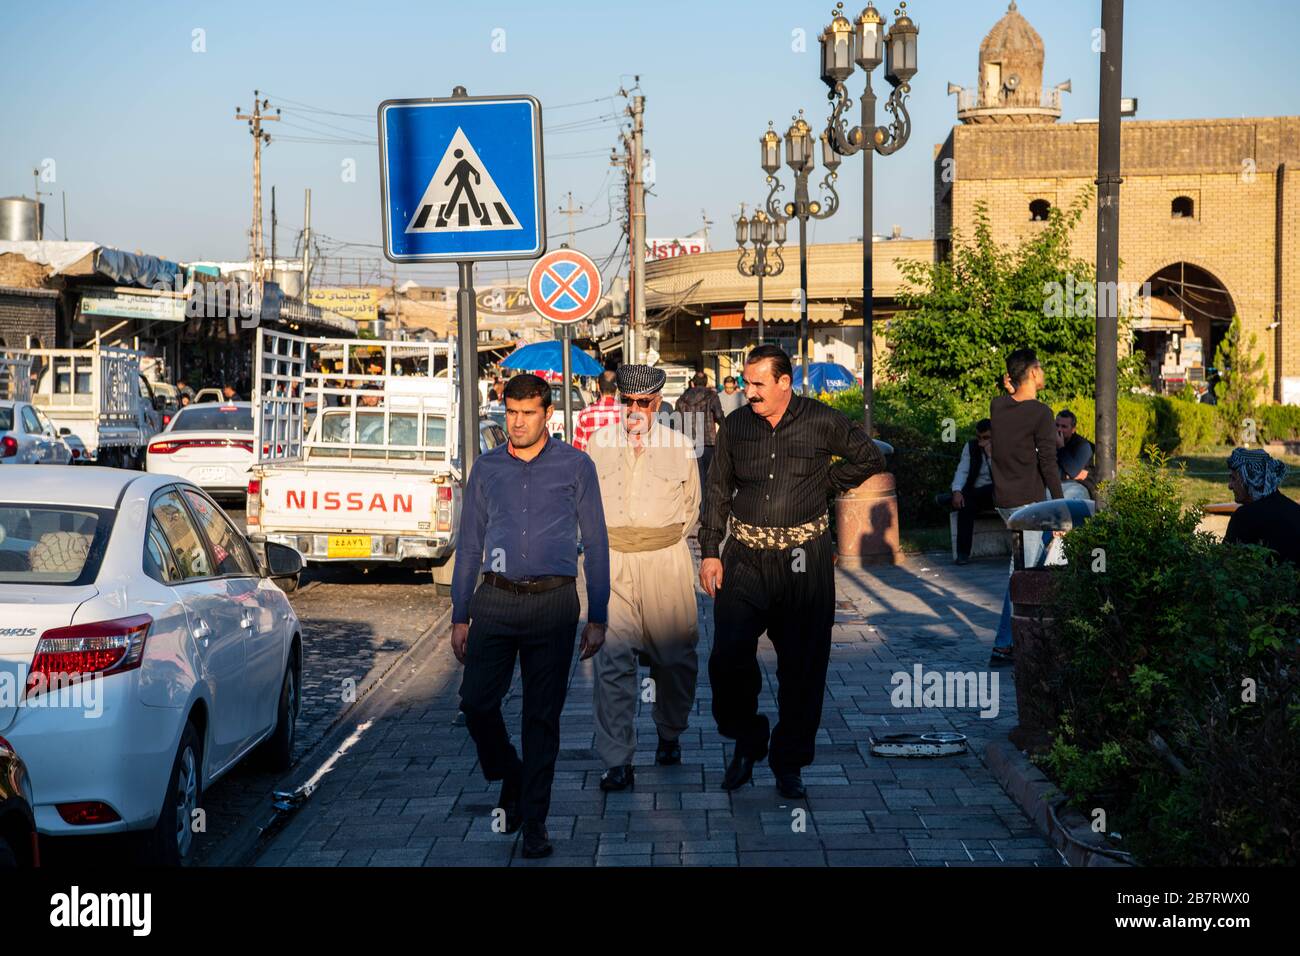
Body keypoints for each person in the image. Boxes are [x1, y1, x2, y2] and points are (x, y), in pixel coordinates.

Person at [699, 345, 886, 798]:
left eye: (759, 383)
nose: (750, 392)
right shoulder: (737, 425)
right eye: (747, 382)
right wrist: (709, 550)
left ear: (785, 383)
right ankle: (748, 733)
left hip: (806, 562)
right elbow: (718, 487)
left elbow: (870, 458)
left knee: (804, 670)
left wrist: (827, 484)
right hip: (744, 558)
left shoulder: (822, 420)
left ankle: (789, 763)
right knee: (727, 656)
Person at [450, 373, 611, 859]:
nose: (517, 423)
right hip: (494, 601)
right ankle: (511, 774)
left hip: (554, 602)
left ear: (547, 415)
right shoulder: (487, 468)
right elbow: (471, 543)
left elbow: (597, 542)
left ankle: (536, 821)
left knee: (541, 718)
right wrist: (461, 612)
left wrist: (599, 613)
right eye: (511, 413)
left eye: (527, 414)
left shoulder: (576, 466)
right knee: (476, 703)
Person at [585, 365, 701, 791]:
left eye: (643, 403)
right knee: (612, 662)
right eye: (627, 403)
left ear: (658, 403)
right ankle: (618, 761)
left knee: (674, 659)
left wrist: (660, 540)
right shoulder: (598, 445)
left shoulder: (680, 446)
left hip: (665, 560)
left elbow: (692, 508)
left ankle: (670, 732)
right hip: (612, 562)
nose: (635, 411)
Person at [989, 349, 1064, 667]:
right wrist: (1060, 507)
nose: (1043, 372)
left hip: (1005, 502)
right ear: (1032, 373)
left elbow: (1009, 400)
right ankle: (1006, 643)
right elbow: (1049, 463)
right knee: (1024, 575)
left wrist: (1009, 387)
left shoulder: (998, 406)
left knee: (1020, 569)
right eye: (1040, 368)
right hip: (1030, 504)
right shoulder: (1041, 414)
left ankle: (1015, 639)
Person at [1225, 447, 1300, 565]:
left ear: (1251, 479)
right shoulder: (1295, 510)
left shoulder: (1244, 517)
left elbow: (1225, 564)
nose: (1230, 486)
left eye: (1234, 478)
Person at [949, 418, 995, 565]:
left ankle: (948, 498)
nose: (981, 441)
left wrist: (990, 456)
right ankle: (963, 554)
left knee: (971, 495)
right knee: (965, 504)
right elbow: (962, 471)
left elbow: (1003, 476)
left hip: (998, 492)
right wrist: (957, 491)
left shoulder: (1002, 447)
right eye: (979, 437)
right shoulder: (971, 447)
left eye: (986, 437)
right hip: (976, 493)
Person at [674, 371, 725, 490]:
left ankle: (697, 506)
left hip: (688, 443)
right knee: (710, 477)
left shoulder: (681, 399)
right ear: (706, 383)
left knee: (693, 480)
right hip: (708, 441)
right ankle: (708, 506)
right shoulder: (711, 396)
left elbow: (676, 423)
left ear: (692, 383)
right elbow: (719, 416)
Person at [572, 370, 621, 452]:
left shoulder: (585, 414)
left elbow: (577, 450)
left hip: (592, 463)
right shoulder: (626, 413)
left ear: (598, 386)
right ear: (617, 387)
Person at [1055, 409, 1096, 500]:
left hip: (1080, 487)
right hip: (1057, 485)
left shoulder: (1082, 446)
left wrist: (1061, 447)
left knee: (1069, 497)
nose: (1059, 429)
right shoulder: (1049, 442)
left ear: (1073, 429)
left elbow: (1073, 471)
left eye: (1064, 427)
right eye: (1057, 425)